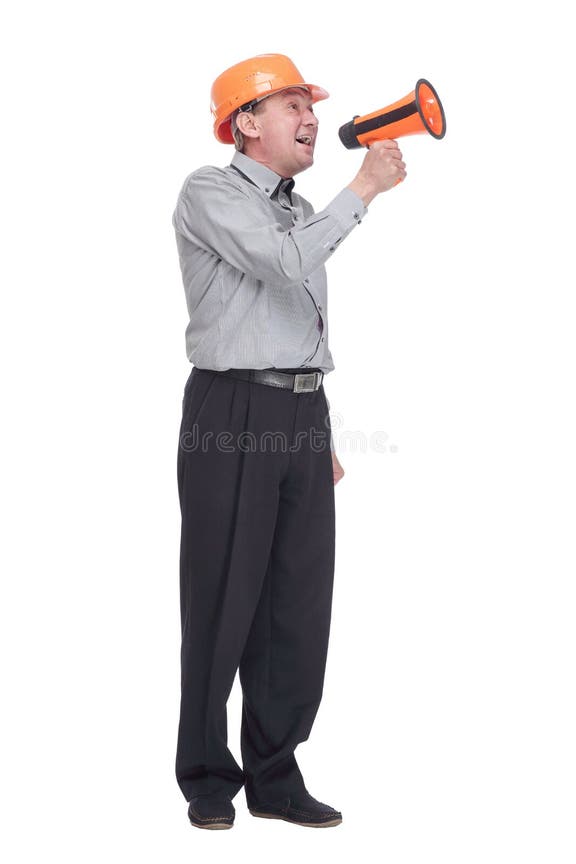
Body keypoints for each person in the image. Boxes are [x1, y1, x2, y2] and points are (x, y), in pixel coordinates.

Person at [172, 53, 406, 831]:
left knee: (296, 604)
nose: (311, 118)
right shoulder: (210, 192)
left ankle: (275, 773)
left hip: (302, 415)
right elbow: (280, 268)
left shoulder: (301, 207)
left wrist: (320, 428)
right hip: (230, 411)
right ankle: (208, 775)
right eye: (294, 104)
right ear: (246, 121)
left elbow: (298, 327)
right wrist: (364, 191)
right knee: (222, 599)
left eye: (311, 104)